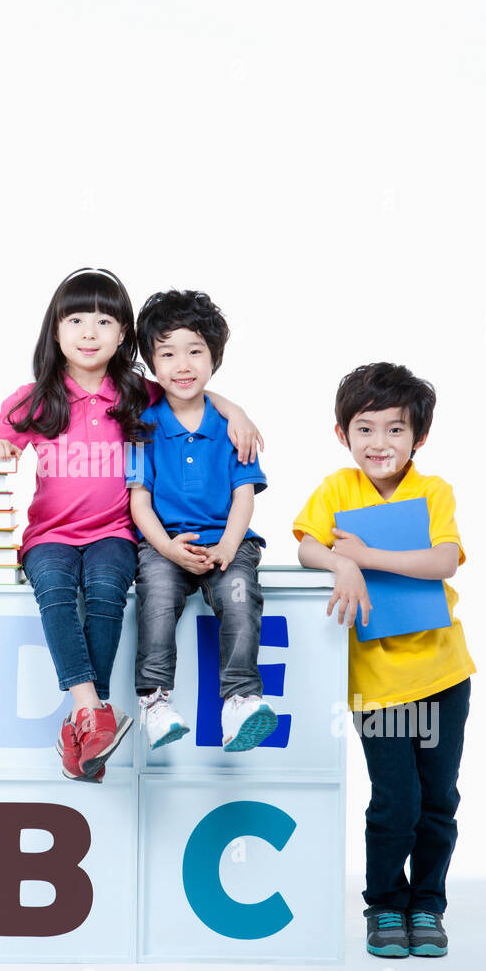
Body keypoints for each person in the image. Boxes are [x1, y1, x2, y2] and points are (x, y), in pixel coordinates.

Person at [0, 267, 262, 781]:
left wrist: (234, 409)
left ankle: (88, 725)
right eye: (76, 320)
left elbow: (188, 388)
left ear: (124, 333)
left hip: (116, 531)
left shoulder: (135, 392)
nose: (90, 333)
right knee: (56, 591)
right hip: (50, 535)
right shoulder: (36, 397)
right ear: (55, 329)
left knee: (107, 591)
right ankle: (91, 709)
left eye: (104, 321)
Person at [292, 363, 475, 958]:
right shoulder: (337, 488)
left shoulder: (433, 490)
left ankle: (428, 903)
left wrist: (366, 555)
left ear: (419, 436)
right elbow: (307, 546)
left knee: (438, 798)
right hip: (376, 682)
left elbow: (444, 561)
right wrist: (341, 562)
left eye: (395, 429)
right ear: (342, 433)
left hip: (443, 673)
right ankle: (386, 903)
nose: (380, 443)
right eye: (365, 428)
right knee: (396, 799)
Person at [126, 289, 277, 753]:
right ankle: (154, 703)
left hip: (227, 541)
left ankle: (241, 700)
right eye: (167, 353)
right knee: (157, 597)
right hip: (165, 542)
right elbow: (139, 502)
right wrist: (167, 549)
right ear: (152, 363)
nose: (182, 365)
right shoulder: (142, 425)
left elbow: (244, 495)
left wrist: (228, 547)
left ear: (214, 357)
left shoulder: (233, 427)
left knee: (239, 595)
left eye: (195, 351)